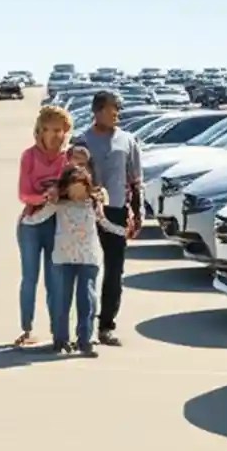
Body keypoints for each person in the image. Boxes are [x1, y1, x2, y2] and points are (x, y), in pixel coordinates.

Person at [73, 90, 143, 346]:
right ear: (98, 110)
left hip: (116, 213)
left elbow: (136, 181)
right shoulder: (82, 141)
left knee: (114, 270)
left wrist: (137, 214)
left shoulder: (128, 141)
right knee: (86, 269)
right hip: (87, 213)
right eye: (114, 108)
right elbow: (73, 176)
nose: (117, 113)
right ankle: (84, 326)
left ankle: (106, 326)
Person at [48, 166, 128, 355]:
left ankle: (85, 340)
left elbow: (103, 222)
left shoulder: (92, 204)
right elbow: (39, 217)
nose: (77, 195)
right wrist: (27, 220)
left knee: (88, 300)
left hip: (88, 258)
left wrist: (123, 232)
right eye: (73, 190)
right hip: (63, 257)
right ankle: (61, 340)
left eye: (81, 190)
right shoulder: (58, 205)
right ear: (65, 189)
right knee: (62, 301)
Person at [13, 105, 72, 348]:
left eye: (60, 130)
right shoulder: (29, 155)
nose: (55, 135)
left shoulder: (68, 158)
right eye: (50, 130)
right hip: (31, 224)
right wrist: (45, 197)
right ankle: (26, 329)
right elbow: (23, 194)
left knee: (54, 280)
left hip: (57, 225)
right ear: (41, 130)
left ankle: (56, 329)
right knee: (30, 277)